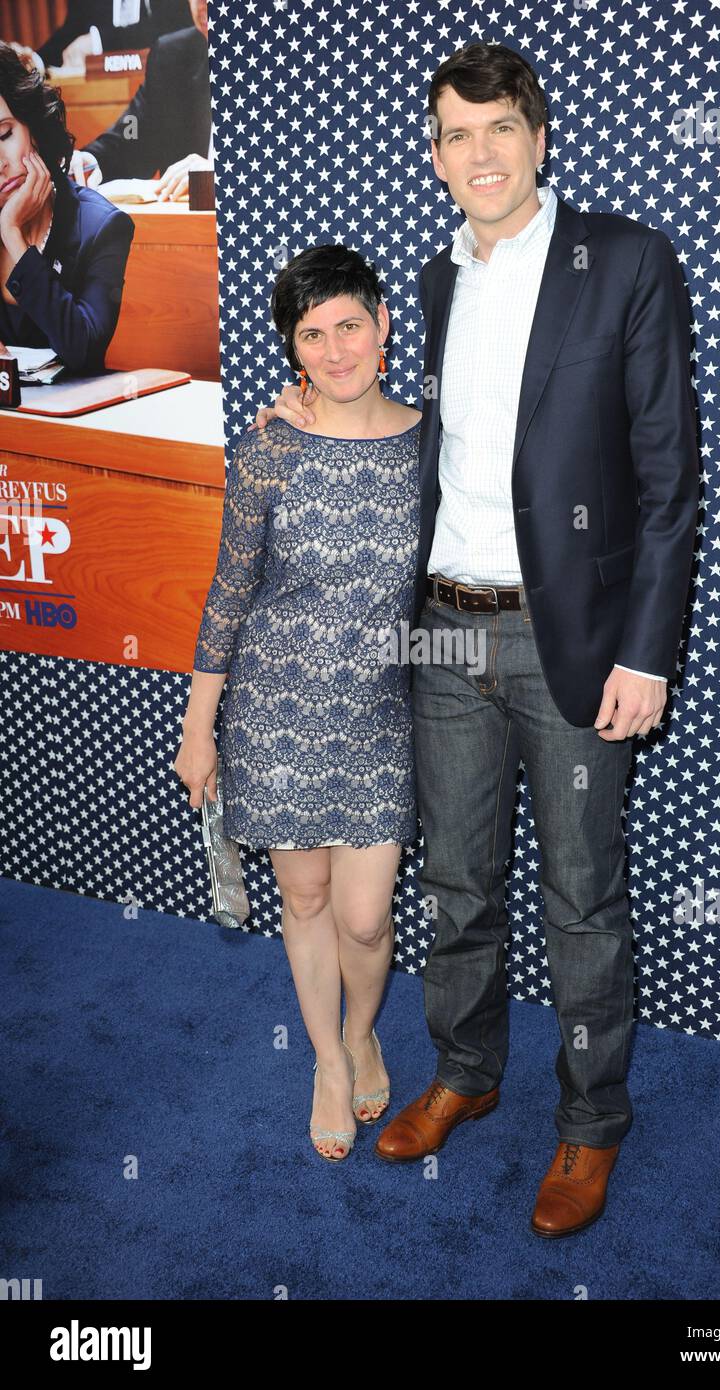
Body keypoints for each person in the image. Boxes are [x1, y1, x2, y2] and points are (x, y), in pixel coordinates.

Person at [255, 42, 699, 1235]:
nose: (478, 152)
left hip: (573, 644)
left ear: (539, 137)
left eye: (497, 126)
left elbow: (669, 484)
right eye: (453, 134)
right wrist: (302, 412)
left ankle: (589, 1124)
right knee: (456, 882)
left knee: (581, 899)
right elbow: (402, 424)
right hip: (443, 633)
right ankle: (465, 1067)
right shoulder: (437, 281)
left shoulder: (627, 264)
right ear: (438, 156)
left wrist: (646, 652)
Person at [174, 245, 422, 1163]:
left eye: (347, 324)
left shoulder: (429, 444)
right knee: (305, 894)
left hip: (380, 715)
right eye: (309, 335)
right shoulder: (268, 448)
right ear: (292, 350)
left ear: (382, 324)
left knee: (366, 915)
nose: (332, 349)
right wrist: (199, 727)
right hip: (273, 710)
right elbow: (228, 591)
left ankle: (365, 1029)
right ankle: (327, 1056)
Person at [0, 42, 134, 374]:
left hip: (71, 418)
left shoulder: (99, 225)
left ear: (33, 126)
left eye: (4, 135)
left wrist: (13, 235)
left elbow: (83, 350)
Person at [67, 0, 212, 203]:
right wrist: (91, 160)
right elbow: (132, 132)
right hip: (180, 225)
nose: (201, 4)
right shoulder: (172, 55)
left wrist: (216, 172)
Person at [9, 1, 192, 75]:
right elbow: (73, 29)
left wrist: (99, 41)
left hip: (161, 75)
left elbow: (169, 26)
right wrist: (34, 60)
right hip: (103, 87)